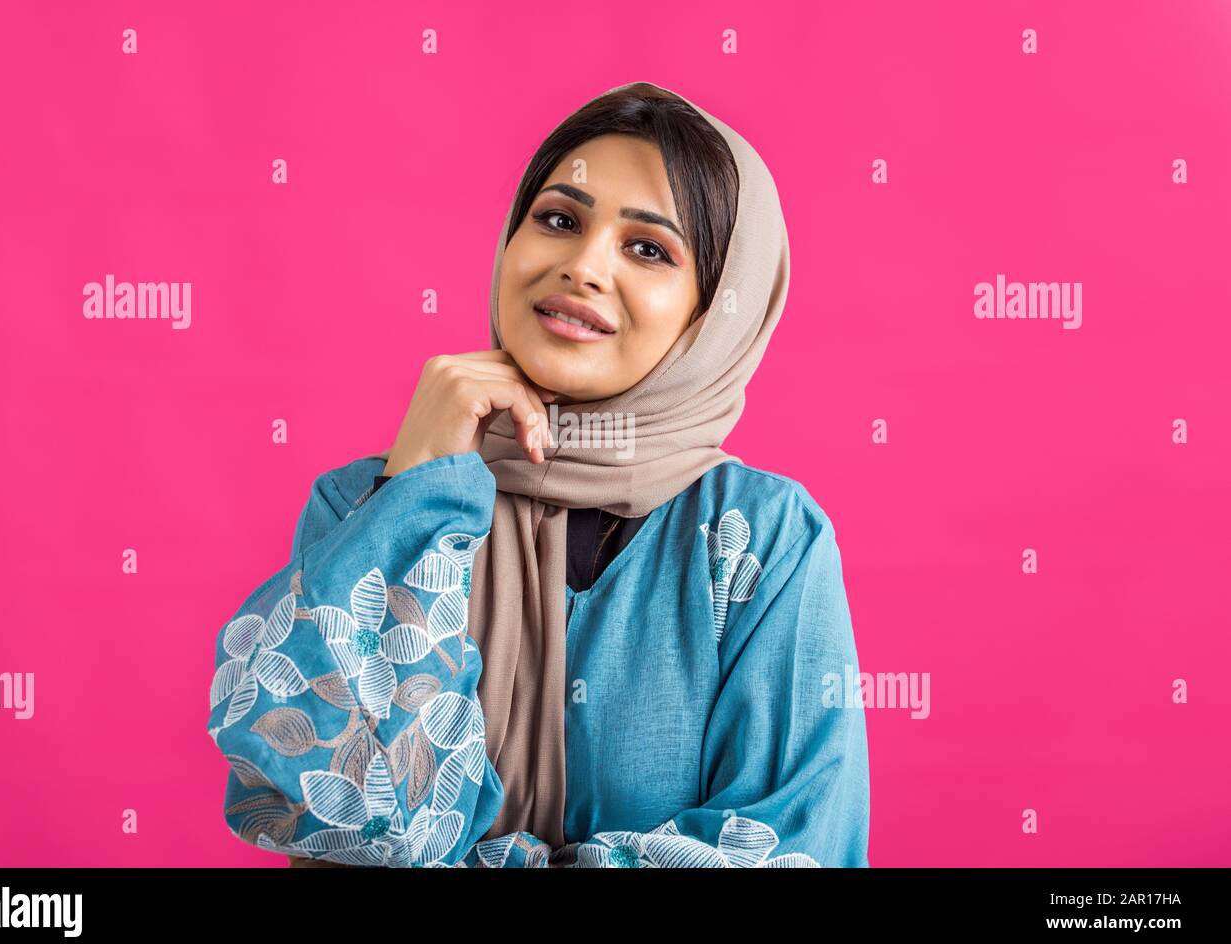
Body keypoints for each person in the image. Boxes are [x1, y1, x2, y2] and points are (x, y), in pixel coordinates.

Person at [206, 80, 871, 868]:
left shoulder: (760, 540)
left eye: (648, 248)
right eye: (559, 220)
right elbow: (316, 807)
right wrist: (418, 488)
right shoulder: (360, 505)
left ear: (715, 311)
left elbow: (792, 849)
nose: (582, 266)